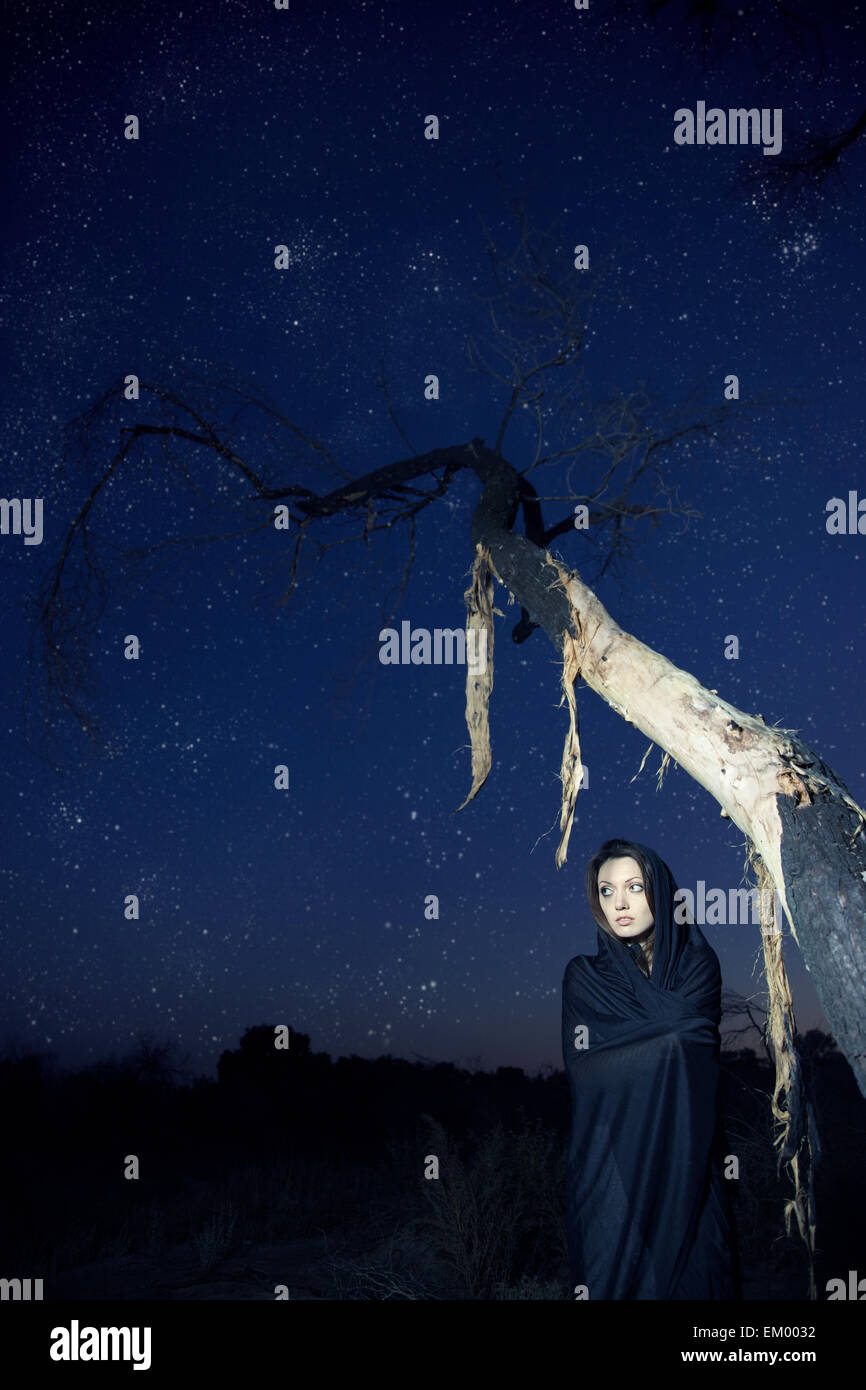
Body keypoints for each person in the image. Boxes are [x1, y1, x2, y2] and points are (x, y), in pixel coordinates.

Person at [562, 837, 741, 1299]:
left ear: (659, 890)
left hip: (690, 1160)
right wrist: (665, 1043)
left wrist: (653, 1045)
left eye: (634, 887)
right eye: (606, 891)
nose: (619, 903)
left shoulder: (696, 965)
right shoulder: (584, 975)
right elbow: (586, 1071)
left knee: (698, 1279)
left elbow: (695, 1047)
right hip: (613, 1167)